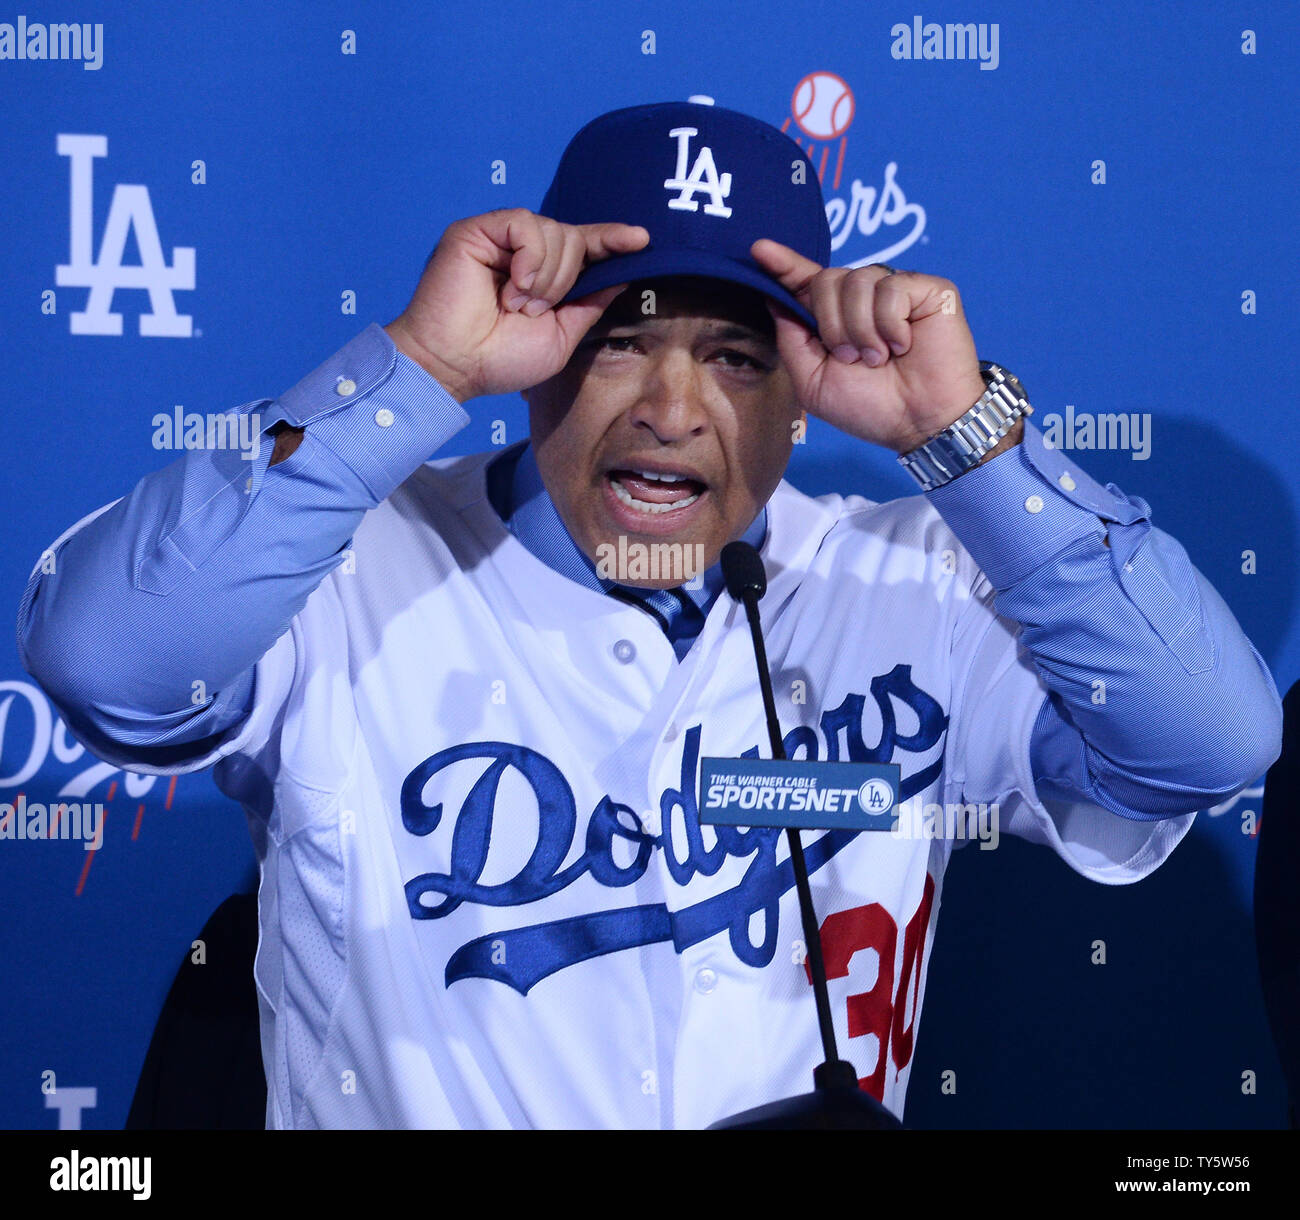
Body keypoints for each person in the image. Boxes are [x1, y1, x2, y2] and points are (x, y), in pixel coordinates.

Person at [18, 99, 1282, 1129]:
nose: (673, 410)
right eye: (622, 340)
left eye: (736, 357)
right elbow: (101, 657)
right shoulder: (349, 562)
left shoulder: (918, 582)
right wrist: (416, 365)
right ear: (534, 351)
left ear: (806, 391)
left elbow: (1211, 739)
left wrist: (971, 446)